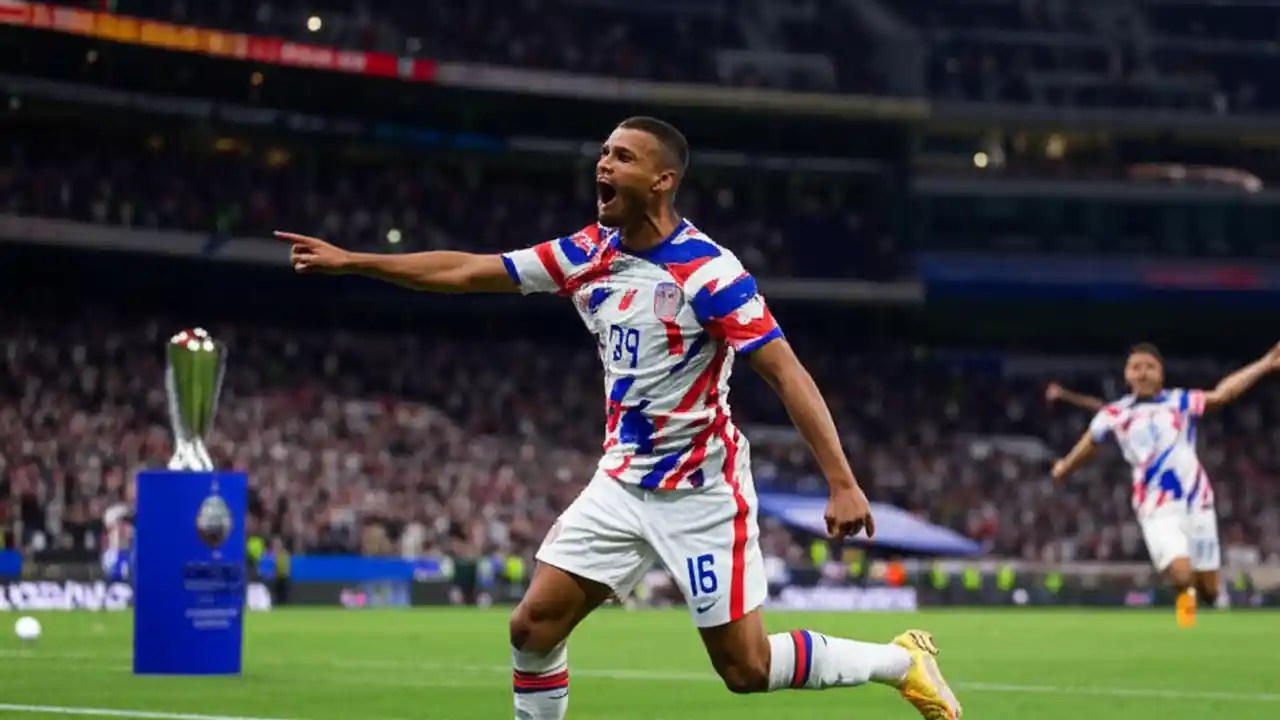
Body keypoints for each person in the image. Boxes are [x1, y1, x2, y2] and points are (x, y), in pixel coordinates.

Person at [276, 116, 961, 720]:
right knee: (533, 626)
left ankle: (900, 663)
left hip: (701, 493)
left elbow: (787, 372)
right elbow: (468, 270)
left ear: (662, 181)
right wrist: (355, 262)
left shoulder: (709, 273)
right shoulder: (586, 254)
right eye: (603, 152)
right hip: (621, 482)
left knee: (745, 671)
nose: (603, 164)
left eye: (622, 156)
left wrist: (841, 482)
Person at [1051, 342, 1280, 626]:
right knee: (1181, 573)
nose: (1143, 373)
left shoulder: (1180, 402)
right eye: (1136, 367)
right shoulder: (1114, 414)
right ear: (1127, 375)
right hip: (1155, 507)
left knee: (1208, 588)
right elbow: (1090, 443)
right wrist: (1065, 466)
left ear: (1161, 374)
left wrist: (1264, 364)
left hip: (1198, 501)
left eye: (1150, 367)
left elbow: (1225, 393)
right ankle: (1187, 622)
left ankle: (1200, 610)